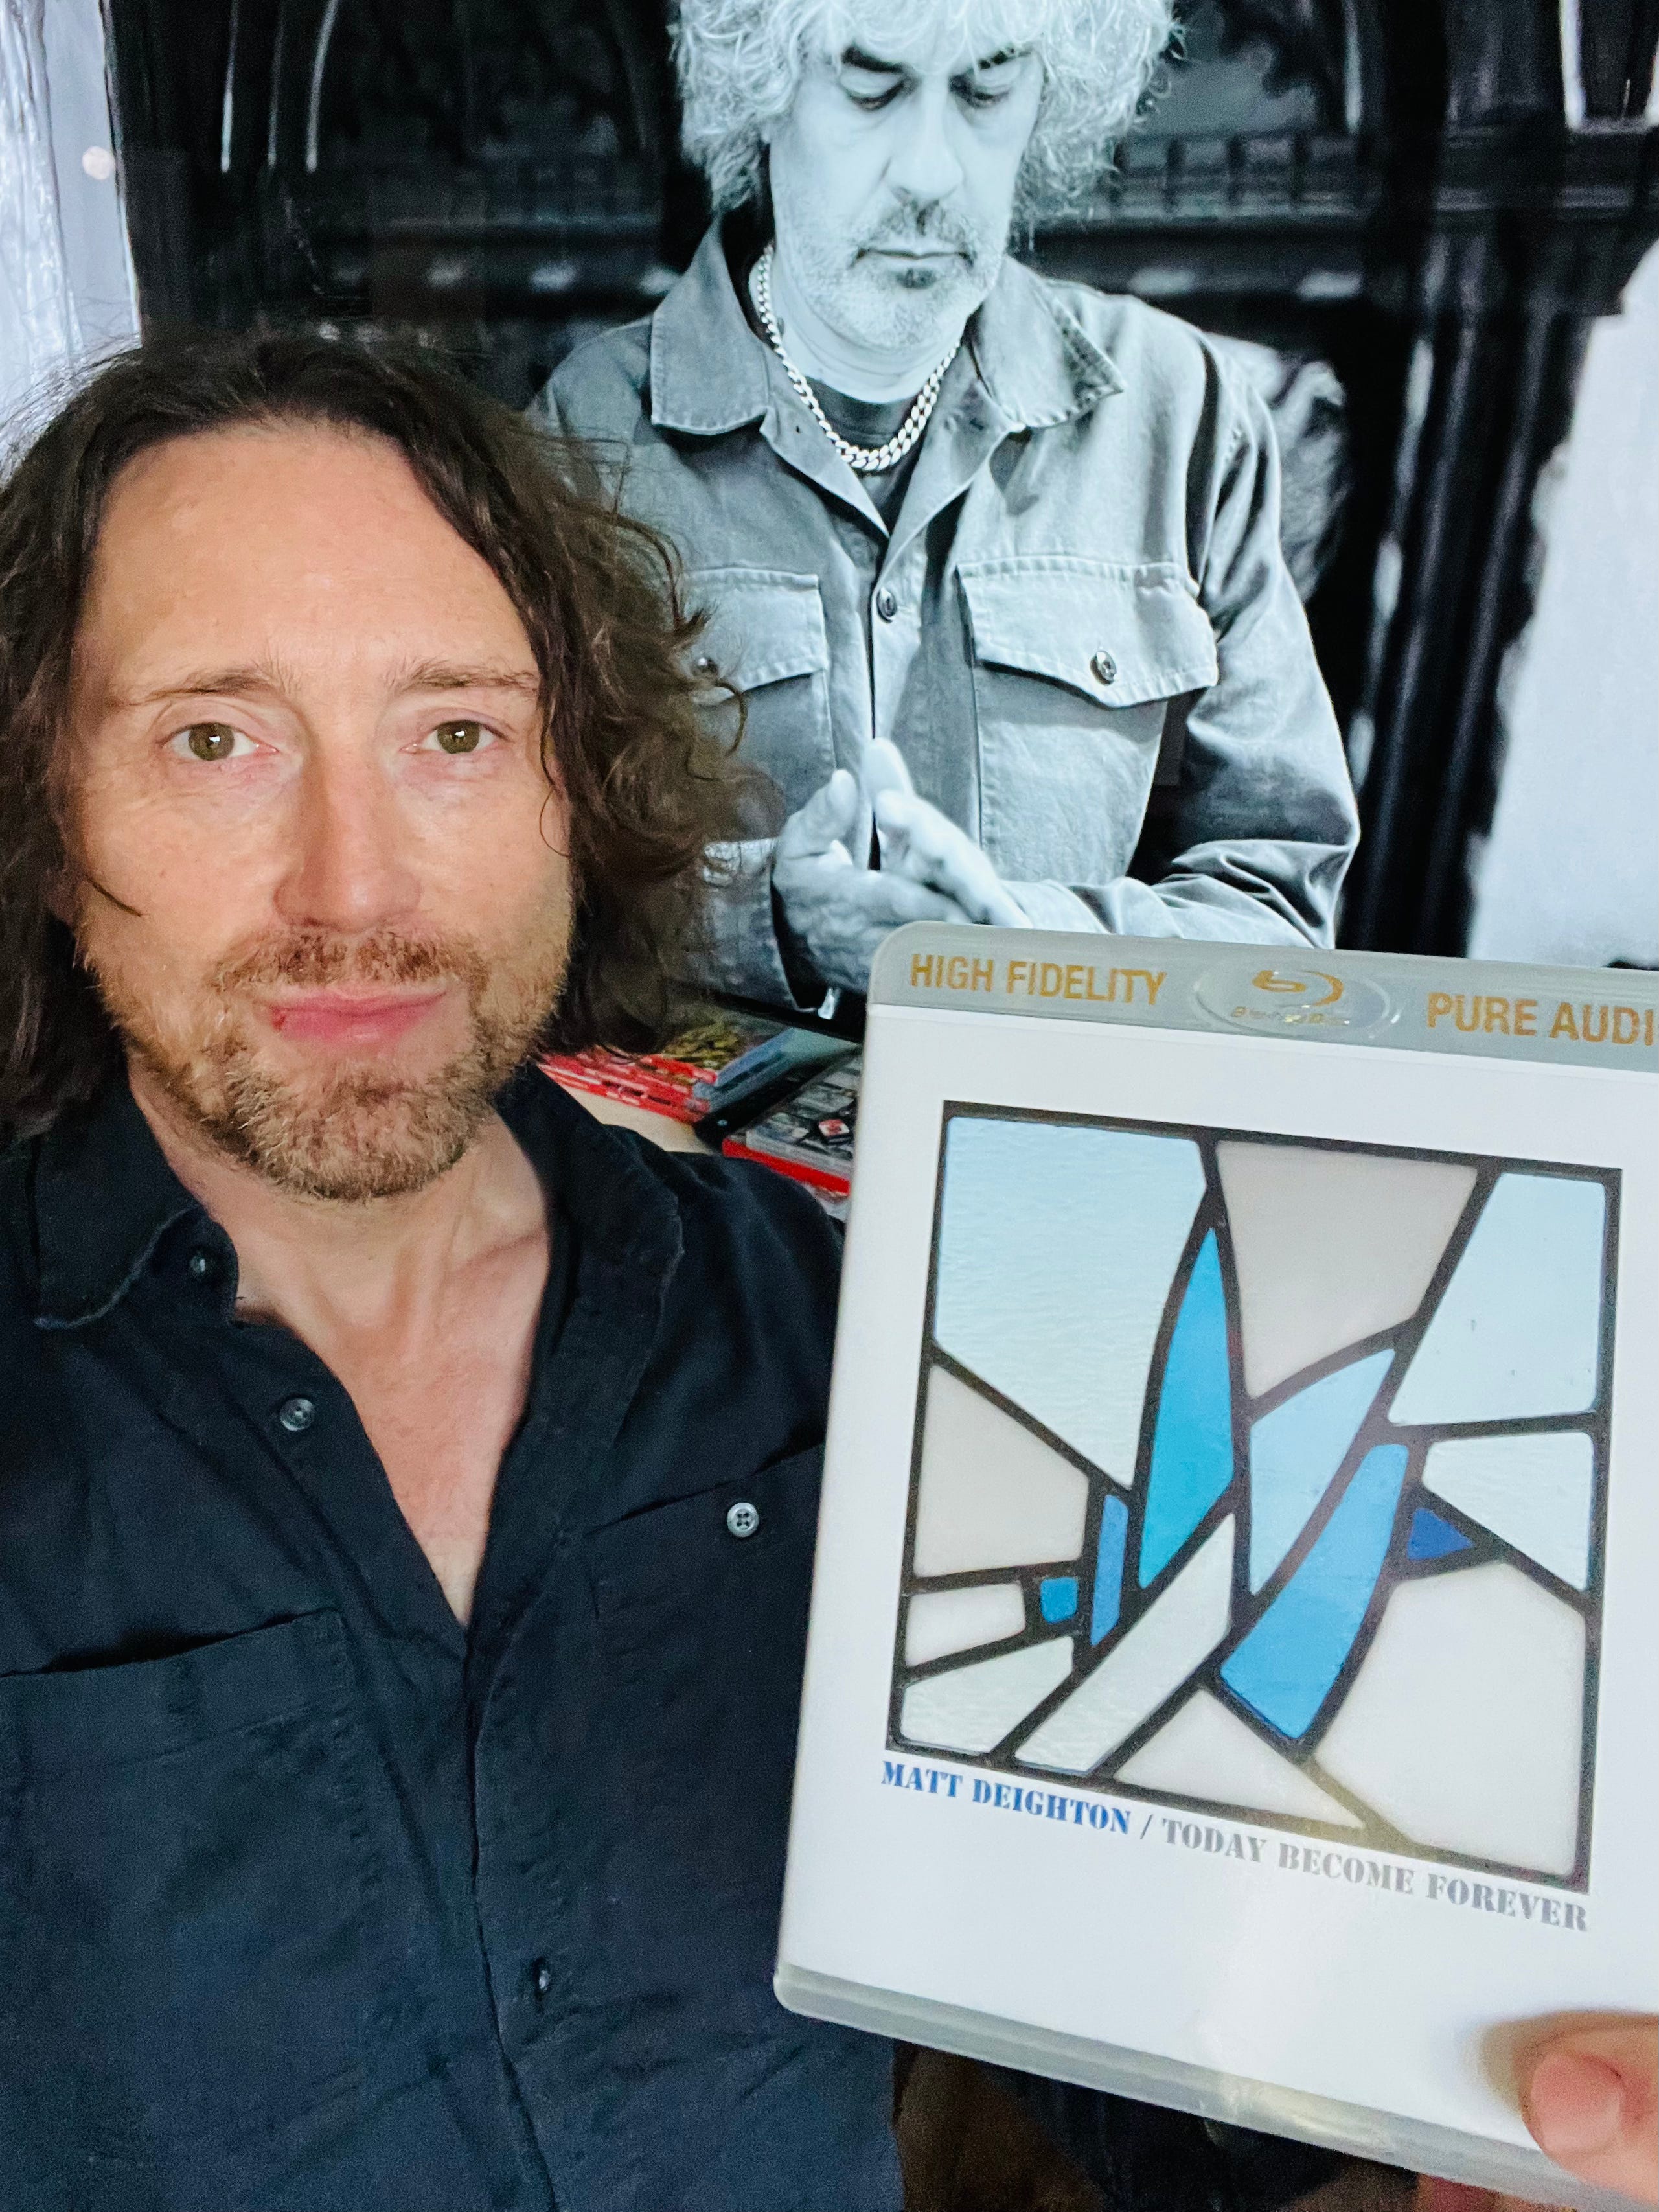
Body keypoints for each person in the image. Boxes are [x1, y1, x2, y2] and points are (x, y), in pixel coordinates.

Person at [0, 333, 1648, 2212]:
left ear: (571, 787)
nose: (354, 885)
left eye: (455, 733)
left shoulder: (831, 1326)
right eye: (214, 740)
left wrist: (1448, 2112)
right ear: (49, 818)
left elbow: (1130, 1975)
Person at [536, 0, 1361, 1011]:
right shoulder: (582, 438)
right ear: (762, 92)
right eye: (869, 83)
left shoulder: (1185, 413)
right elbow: (517, 886)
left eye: (986, 85)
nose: (930, 172)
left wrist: (1020, 947)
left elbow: (1276, 912)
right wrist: (767, 918)